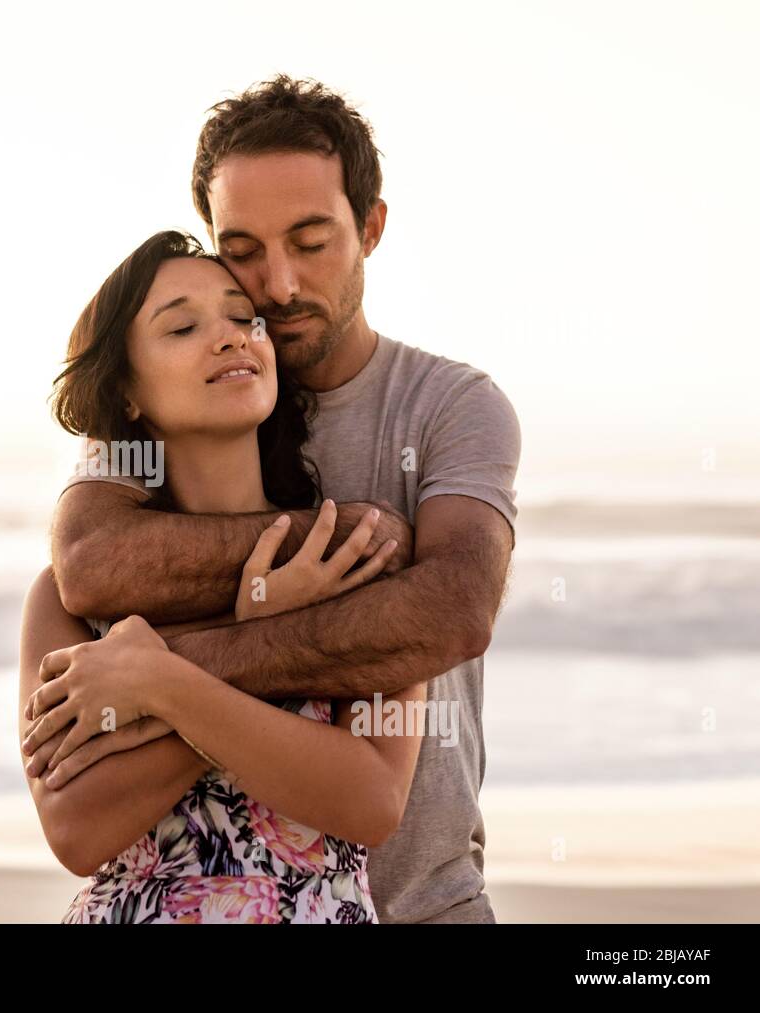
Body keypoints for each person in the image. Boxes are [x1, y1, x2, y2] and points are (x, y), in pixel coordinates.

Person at [29, 76, 521, 924]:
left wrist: (167, 676)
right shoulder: (150, 425)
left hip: (426, 898)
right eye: (244, 249)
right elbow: (87, 564)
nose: (276, 286)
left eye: (311, 239)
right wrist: (337, 552)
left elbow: (454, 609)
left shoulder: (447, 406)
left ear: (370, 227)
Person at [19, 230, 424, 922]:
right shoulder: (65, 599)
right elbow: (77, 828)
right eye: (182, 325)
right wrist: (256, 635)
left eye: (245, 318)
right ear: (125, 393)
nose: (232, 337)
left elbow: (371, 801)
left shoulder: (345, 560)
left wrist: (165, 681)